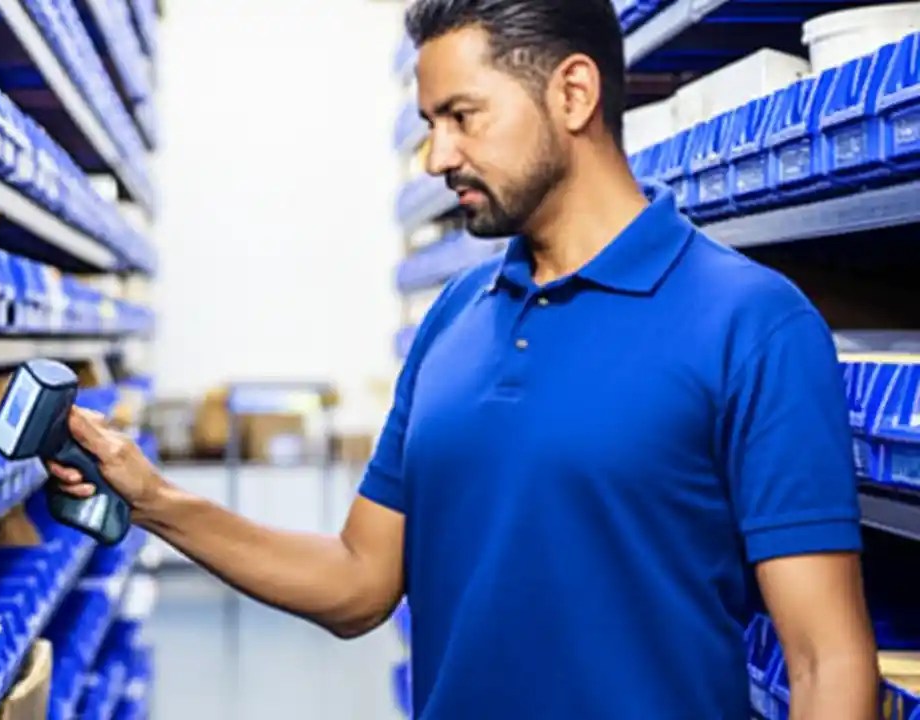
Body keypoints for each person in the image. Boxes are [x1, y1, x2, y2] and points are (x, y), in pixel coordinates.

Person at [51, 0, 880, 717]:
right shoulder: (455, 315)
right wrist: (152, 498)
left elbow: (825, 663)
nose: (438, 156)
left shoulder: (752, 323)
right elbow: (356, 582)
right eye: (429, 125)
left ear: (574, 93)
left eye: (462, 116)